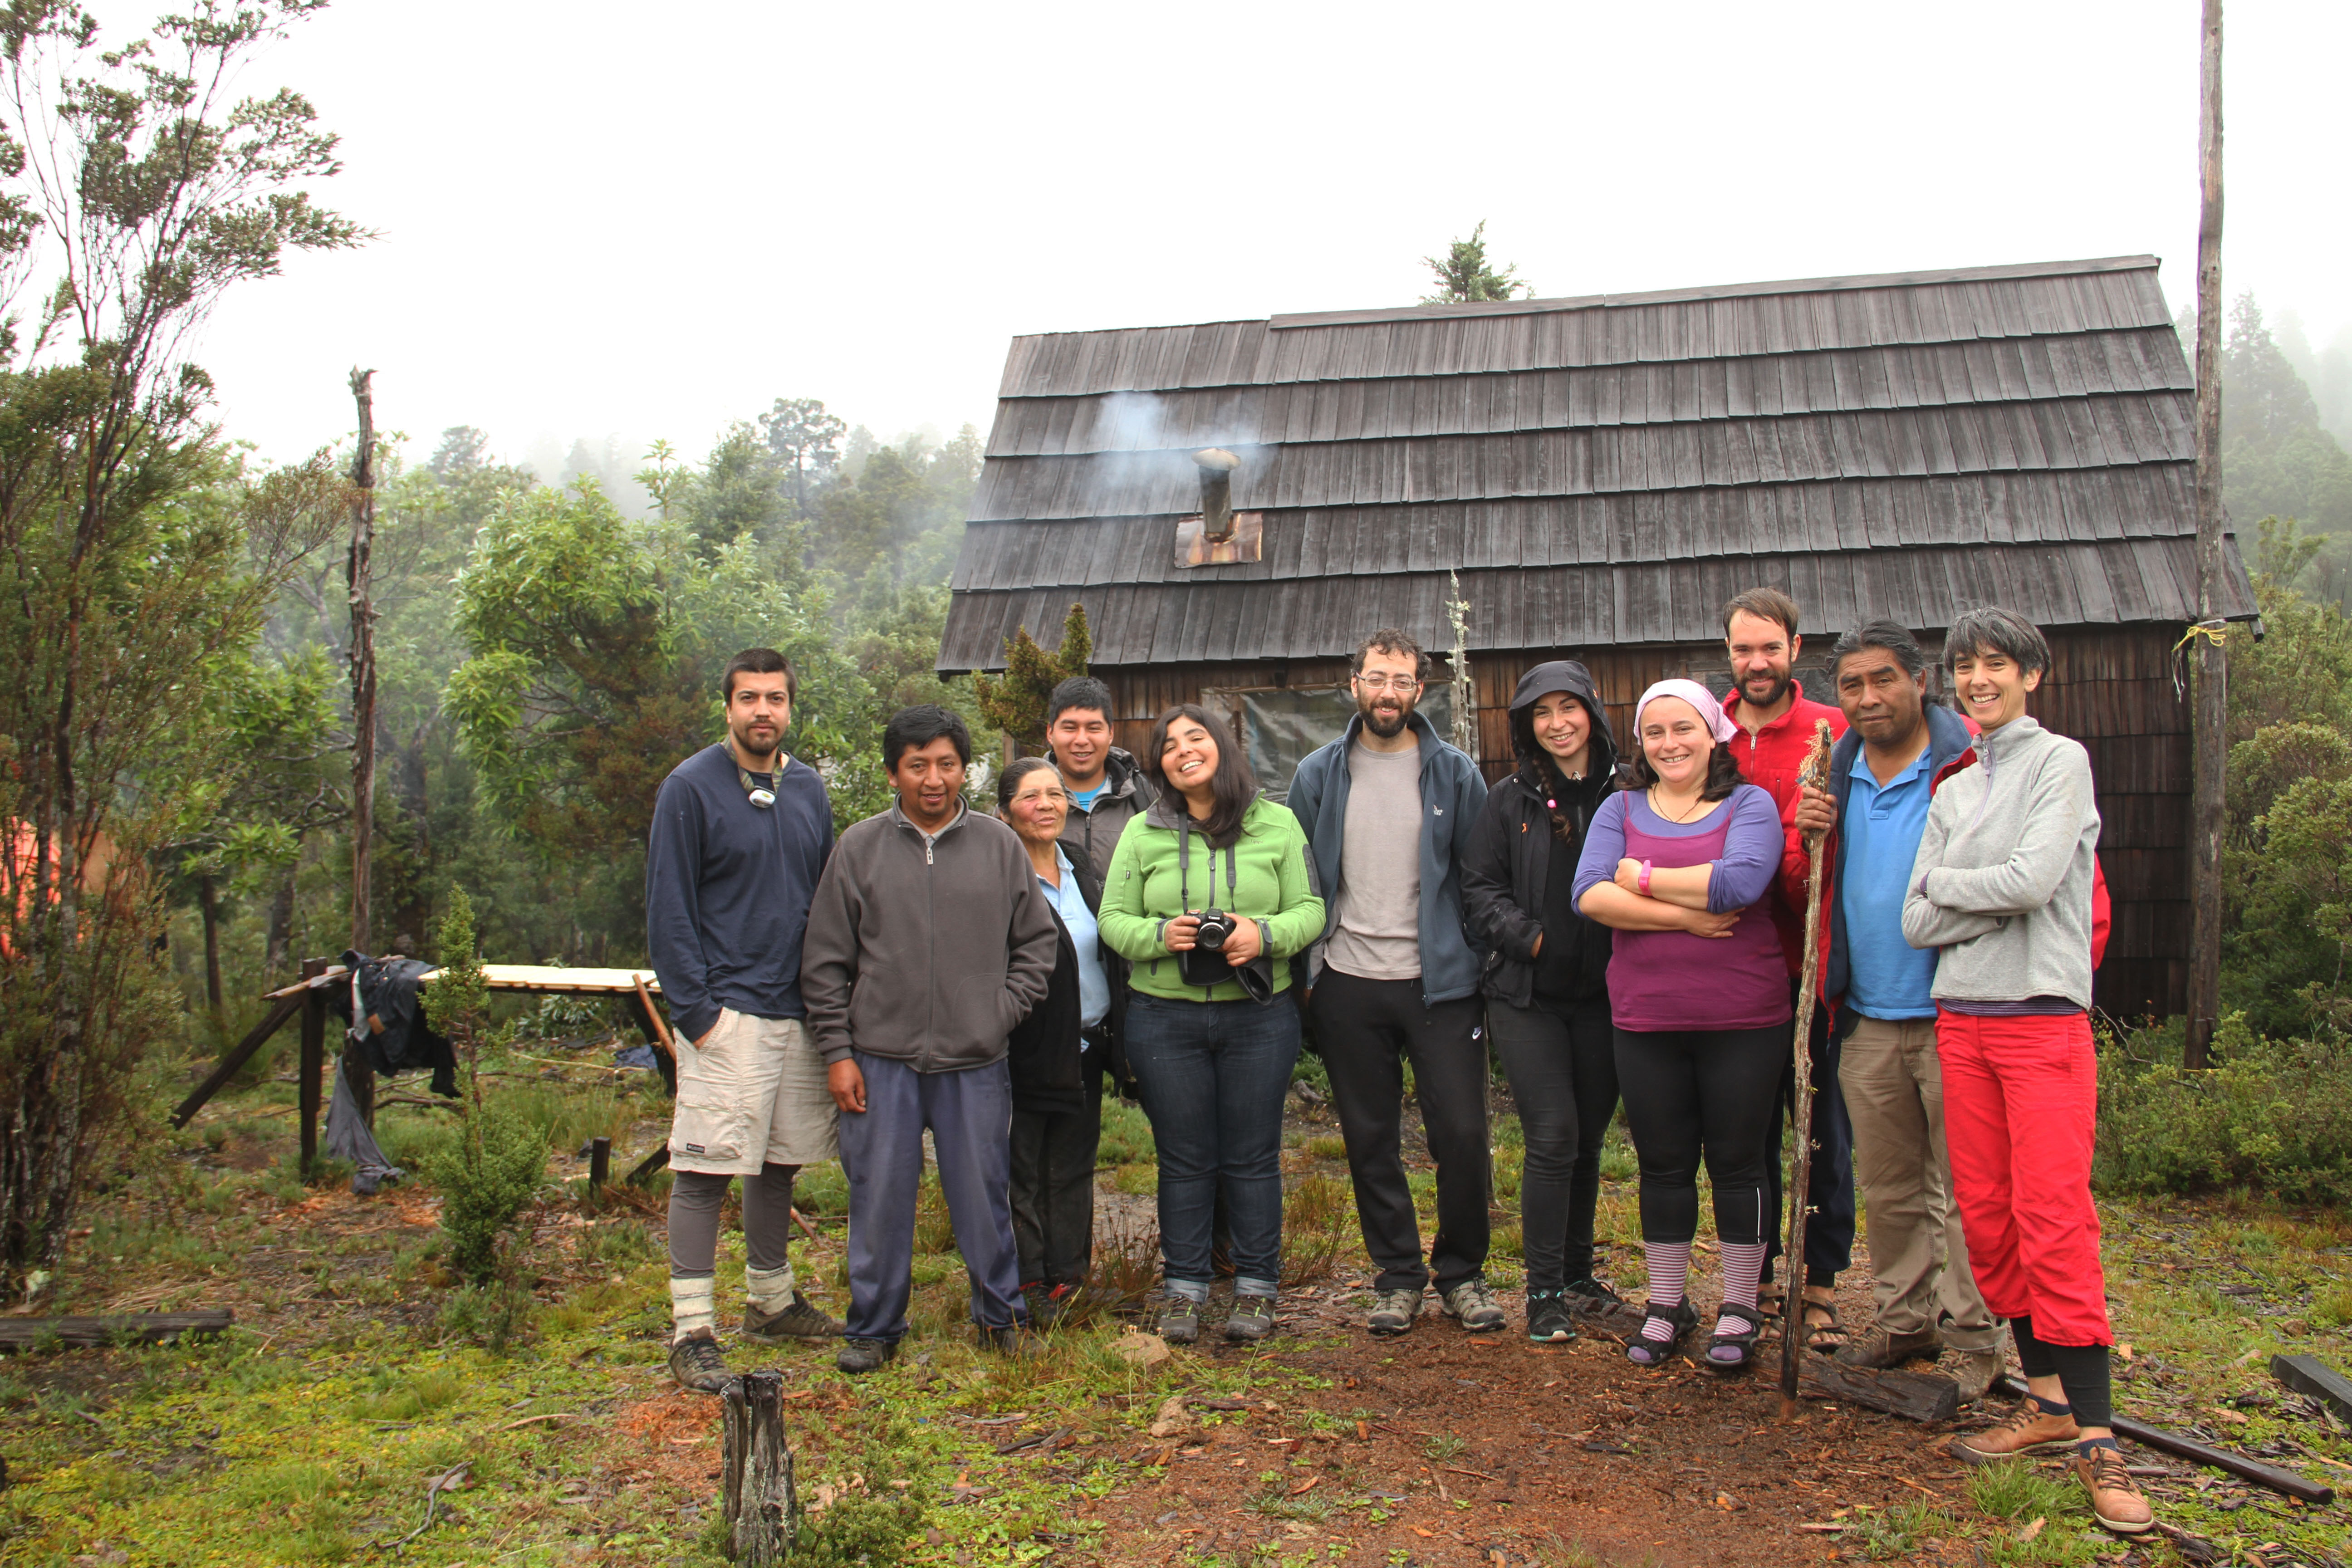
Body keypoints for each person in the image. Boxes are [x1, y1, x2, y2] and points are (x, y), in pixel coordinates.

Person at [1903, 608, 2147, 1536]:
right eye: (1964, 667)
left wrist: (1953, 886)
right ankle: (2045, 1403)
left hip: (2042, 1024)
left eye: (1995, 665)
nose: (1977, 679)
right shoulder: (1956, 786)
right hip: (1961, 1022)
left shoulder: (2061, 763)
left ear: (2031, 676)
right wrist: (1973, 885)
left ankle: (2099, 1437)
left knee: (2054, 1219)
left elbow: (2035, 881)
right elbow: (1913, 923)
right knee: (1993, 1222)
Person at [800, 705, 1060, 1374]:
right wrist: (838, 1054)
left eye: (947, 764)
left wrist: (999, 1013)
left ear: (964, 770)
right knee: (878, 1195)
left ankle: (1000, 1315)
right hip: (878, 1060)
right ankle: (875, 1327)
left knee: (983, 1190)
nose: (934, 779)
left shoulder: (1000, 846)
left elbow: (1036, 944)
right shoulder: (858, 848)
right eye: (918, 766)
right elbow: (825, 961)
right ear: (894, 773)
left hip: (975, 1060)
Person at [1784, 622, 2002, 1402]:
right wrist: (1805, 837)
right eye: (1851, 685)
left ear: (1918, 681)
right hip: (1865, 1013)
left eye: (1882, 680)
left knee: (1967, 1188)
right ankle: (1906, 1318)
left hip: (1956, 1010)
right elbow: (1803, 885)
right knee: (1889, 1184)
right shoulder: (1833, 773)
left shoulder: (1969, 763)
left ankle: (1978, 1340)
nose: (1867, 697)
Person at [1574, 679, 1789, 1374]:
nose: (1670, 744)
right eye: (1656, 732)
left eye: (1684, 729)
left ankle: (1739, 1305)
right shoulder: (1620, 807)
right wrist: (1686, 913)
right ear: (1642, 742)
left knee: (1737, 1161)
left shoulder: (1749, 804)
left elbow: (1740, 884)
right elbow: (1588, 893)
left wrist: (1640, 877)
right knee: (1664, 1165)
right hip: (1647, 1019)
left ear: (1713, 732)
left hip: (1744, 1018)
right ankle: (1666, 1304)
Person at [1289, 630, 1497, 1337]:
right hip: (1348, 981)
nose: (1388, 692)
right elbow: (1301, 877)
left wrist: (1476, 964)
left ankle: (1463, 1272)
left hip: (1440, 984)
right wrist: (1309, 973)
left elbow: (1478, 879)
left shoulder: (1455, 774)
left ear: (1420, 690)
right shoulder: (1319, 773)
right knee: (1370, 1137)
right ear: (1353, 684)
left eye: (1402, 680)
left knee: (1464, 1133)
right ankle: (1398, 1275)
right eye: (1376, 678)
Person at [645, 648, 841, 1394]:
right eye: (749, 698)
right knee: (704, 1167)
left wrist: (828, 999)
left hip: (797, 1011)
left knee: (779, 1159)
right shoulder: (689, 788)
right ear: (726, 706)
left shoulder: (807, 791)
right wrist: (695, 1013)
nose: (763, 710)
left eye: (776, 698)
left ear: (790, 708)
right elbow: (669, 905)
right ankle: (692, 1328)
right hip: (725, 1012)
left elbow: (825, 900)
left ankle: (771, 1300)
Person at [1098, 704, 1324, 1346]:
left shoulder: (1277, 824)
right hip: (1164, 1019)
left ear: (1222, 746)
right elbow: (1113, 920)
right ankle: (1186, 1289)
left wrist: (1266, 934)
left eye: (1195, 738)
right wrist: (1157, 935)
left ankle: (1256, 1286)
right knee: (1185, 1159)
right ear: (1161, 765)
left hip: (1259, 1016)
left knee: (1253, 1157)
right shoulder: (1143, 833)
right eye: (1169, 745)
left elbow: (1312, 908)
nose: (1182, 751)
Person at [1461, 661, 1624, 1344]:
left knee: (1588, 1140)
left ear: (1592, 710)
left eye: (1569, 708)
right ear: (1526, 726)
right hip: (1526, 996)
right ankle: (1544, 1290)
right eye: (1541, 713)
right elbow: (1478, 889)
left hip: (1608, 997)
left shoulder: (1628, 793)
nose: (1558, 724)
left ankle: (1580, 1275)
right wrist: (1530, 941)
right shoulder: (1508, 800)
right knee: (1553, 1136)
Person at [1720, 587, 1856, 1352]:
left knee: (1820, 1133)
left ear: (1794, 650)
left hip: (1814, 967)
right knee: (1746, 1135)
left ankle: (1821, 1282)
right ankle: (1759, 1271)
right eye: (1742, 650)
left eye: (1768, 648)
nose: (1755, 663)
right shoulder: (1712, 734)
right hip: (1737, 968)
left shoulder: (1830, 732)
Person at [996, 757, 1120, 1325]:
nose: (1046, 804)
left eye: (1055, 794)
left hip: (1087, 1046)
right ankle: (1027, 1281)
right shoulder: (997, 877)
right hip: (1025, 1048)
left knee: (1072, 1163)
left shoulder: (1080, 866)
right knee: (1022, 1166)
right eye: (1030, 796)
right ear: (1004, 811)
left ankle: (1069, 1279)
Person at [1045, 675, 1158, 882]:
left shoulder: (1145, 797)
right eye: (1070, 728)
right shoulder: (1025, 799)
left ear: (1110, 733)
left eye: (1093, 728)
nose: (1081, 740)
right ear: (1051, 733)